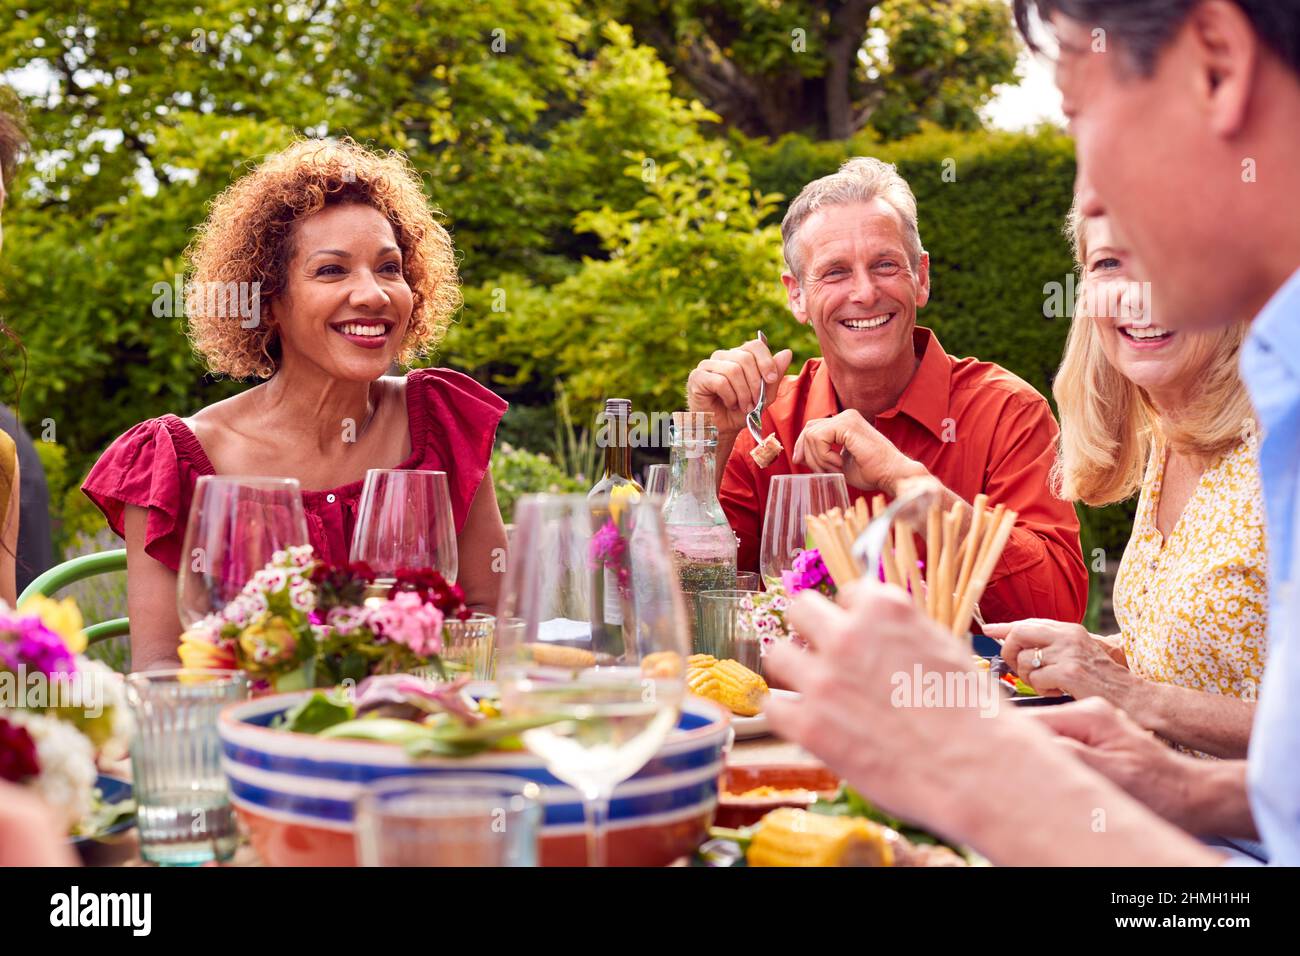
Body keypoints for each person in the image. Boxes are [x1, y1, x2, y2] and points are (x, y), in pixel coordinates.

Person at [766, 0, 1300, 866]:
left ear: (1219, 65)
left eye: (1083, 120)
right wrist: (1147, 745)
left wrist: (980, 770)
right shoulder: (1222, 410)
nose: (1089, 193)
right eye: (1102, 265)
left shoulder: (1266, 408)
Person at [83, 139, 509, 671]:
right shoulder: (175, 459)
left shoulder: (444, 423)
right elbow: (162, 666)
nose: (373, 294)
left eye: (389, 268)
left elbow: (488, 616)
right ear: (269, 299)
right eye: (332, 271)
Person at [686, 157, 1088, 625]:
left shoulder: (1007, 412)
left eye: (885, 265)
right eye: (835, 272)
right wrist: (702, 444)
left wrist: (907, 482)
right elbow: (691, 605)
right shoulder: (767, 425)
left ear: (921, 278)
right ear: (796, 295)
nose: (864, 292)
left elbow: (1058, 611)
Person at [981, 205, 1264, 760]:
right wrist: (1098, 656)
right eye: (1110, 263)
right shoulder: (1170, 432)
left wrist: (1125, 692)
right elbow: (1217, 660)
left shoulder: (1281, 442)